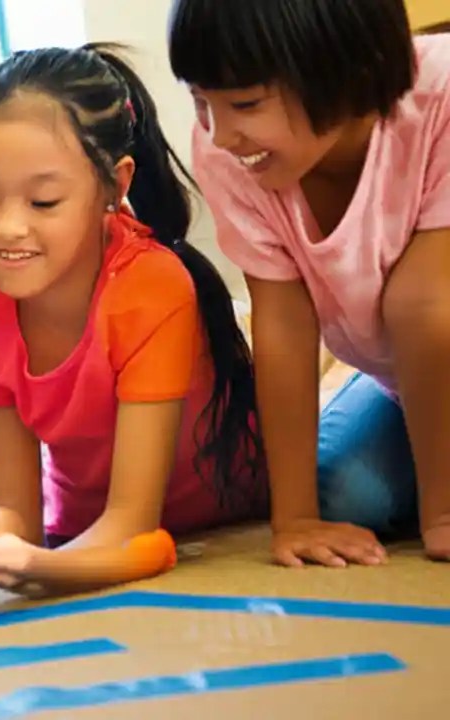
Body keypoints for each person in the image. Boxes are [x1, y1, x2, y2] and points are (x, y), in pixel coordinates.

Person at [0, 44, 265, 593]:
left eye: (44, 202)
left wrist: (33, 567)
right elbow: (20, 517)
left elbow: (135, 532)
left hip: (223, 511)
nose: (6, 229)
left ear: (116, 184)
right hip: (80, 529)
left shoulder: (150, 286)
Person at [170, 0, 450, 564]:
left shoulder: (440, 97)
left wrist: (441, 514)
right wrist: (295, 518)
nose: (220, 134)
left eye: (245, 104)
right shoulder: (233, 156)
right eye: (202, 102)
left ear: (351, 69)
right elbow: (281, 322)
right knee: (343, 494)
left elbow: (429, 304)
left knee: (416, 297)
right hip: (409, 388)